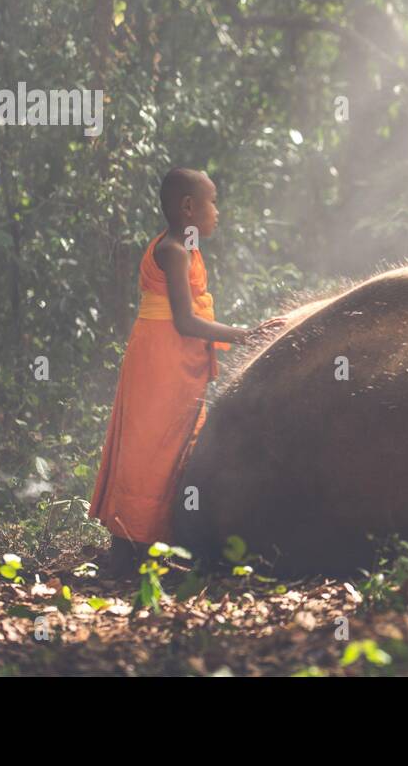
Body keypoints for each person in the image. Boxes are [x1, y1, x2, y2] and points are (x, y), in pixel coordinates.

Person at [89, 168, 283, 575]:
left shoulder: (187, 247)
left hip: (175, 357)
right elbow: (185, 321)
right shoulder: (173, 250)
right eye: (212, 202)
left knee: (174, 446)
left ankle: (154, 550)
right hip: (161, 359)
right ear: (189, 207)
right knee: (151, 448)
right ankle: (130, 553)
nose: (218, 211)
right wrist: (244, 334)